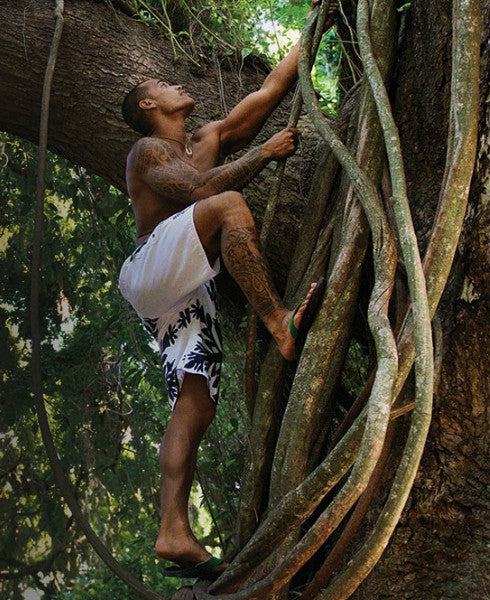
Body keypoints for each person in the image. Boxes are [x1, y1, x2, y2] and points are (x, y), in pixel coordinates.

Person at [117, 1, 335, 581]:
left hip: (182, 287)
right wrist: (262, 156)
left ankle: (173, 532)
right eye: (162, 84)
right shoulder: (149, 152)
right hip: (150, 266)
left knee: (197, 401)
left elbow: (267, 93)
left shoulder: (209, 134)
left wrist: (317, 24)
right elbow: (199, 192)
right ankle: (278, 323)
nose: (173, 84)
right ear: (149, 106)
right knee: (229, 204)